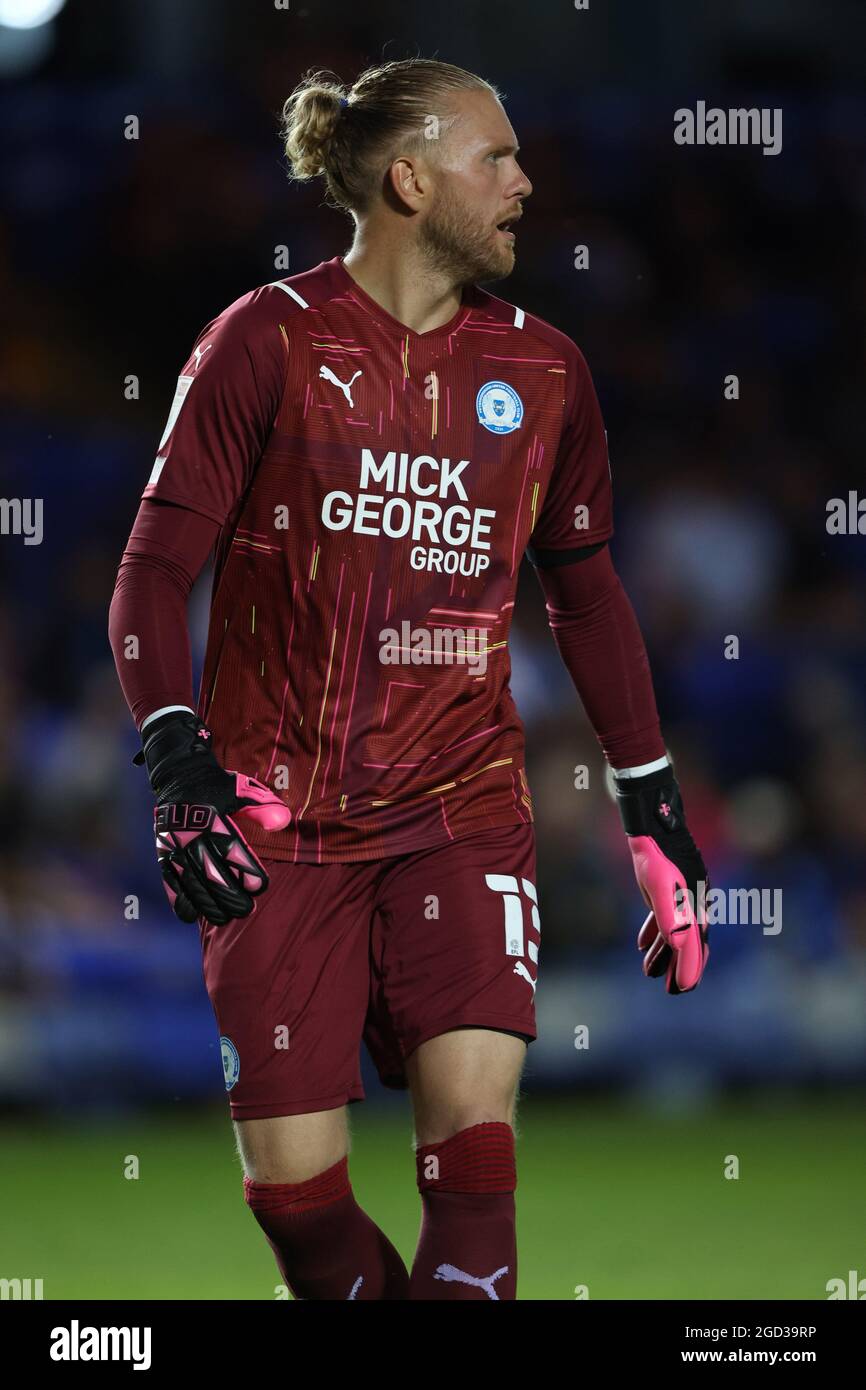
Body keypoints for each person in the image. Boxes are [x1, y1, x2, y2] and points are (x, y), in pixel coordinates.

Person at [108, 57, 709, 1301]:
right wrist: (176, 763)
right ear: (407, 174)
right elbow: (151, 575)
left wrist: (650, 808)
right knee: (301, 1216)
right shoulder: (262, 342)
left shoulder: (546, 373)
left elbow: (585, 594)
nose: (525, 184)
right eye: (495, 157)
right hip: (277, 824)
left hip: (461, 810)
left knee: (475, 1168)